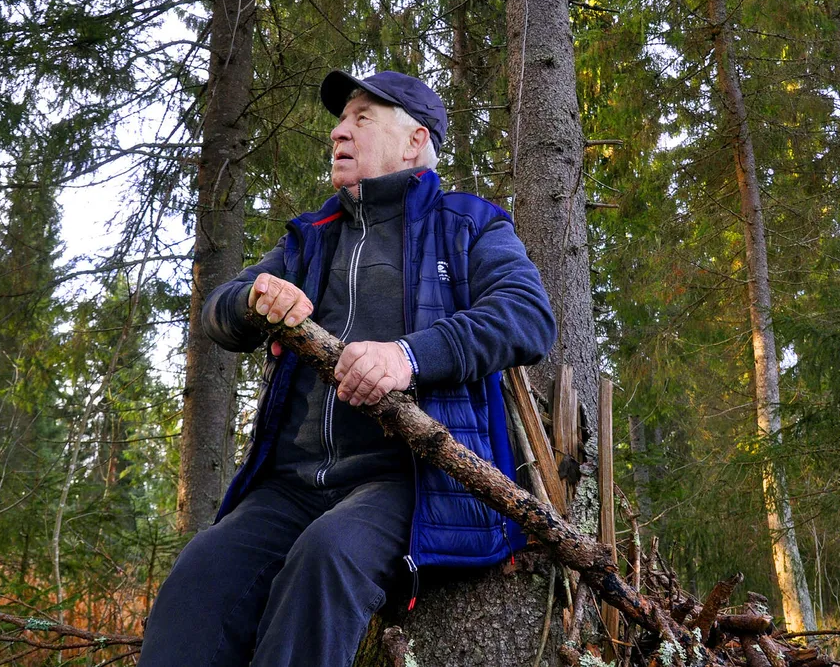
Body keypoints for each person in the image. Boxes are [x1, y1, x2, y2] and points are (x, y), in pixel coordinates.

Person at [138, 70, 556, 667]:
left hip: (403, 477)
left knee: (325, 558)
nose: (339, 130)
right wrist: (255, 299)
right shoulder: (311, 237)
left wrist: (407, 356)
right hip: (290, 483)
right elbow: (216, 314)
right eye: (340, 120)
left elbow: (527, 316)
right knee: (198, 578)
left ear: (415, 140)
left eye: (362, 118)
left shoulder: (468, 224)